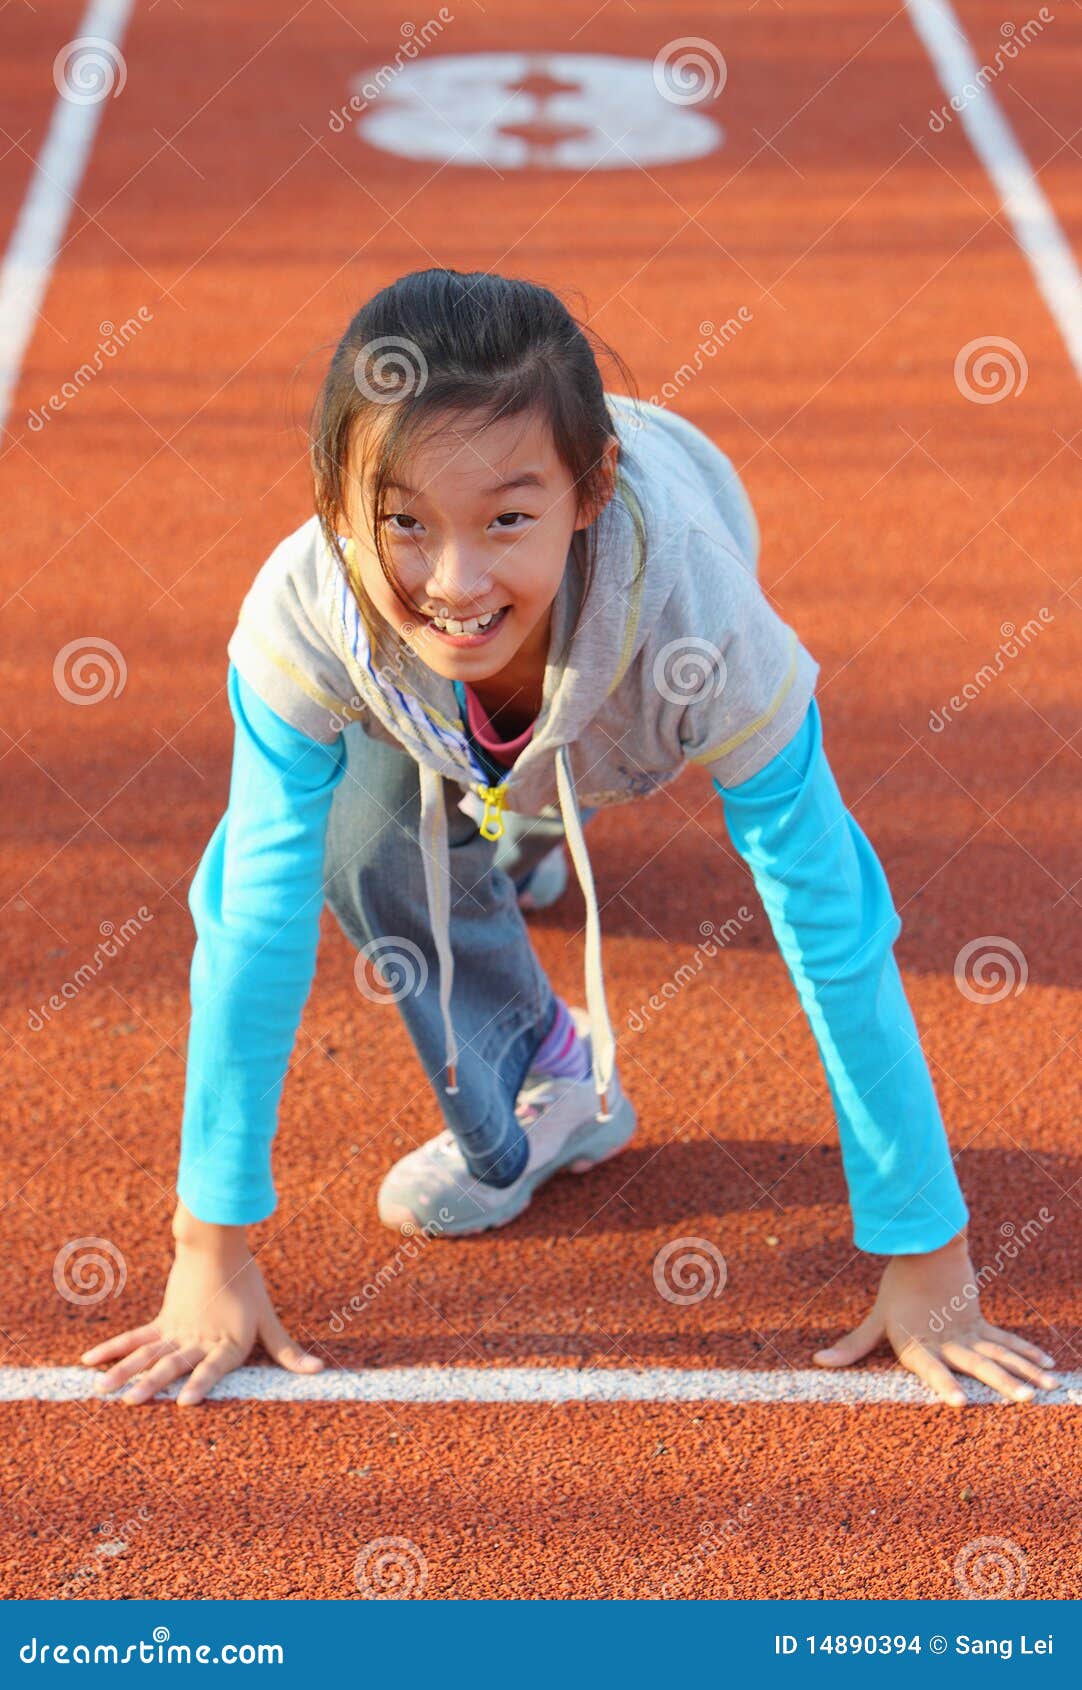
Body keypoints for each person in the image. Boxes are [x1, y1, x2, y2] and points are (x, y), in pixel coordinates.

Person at [80, 268, 1059, 1410]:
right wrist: (208, 1249)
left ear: (588, 489)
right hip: (427, 709)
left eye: (506, 517)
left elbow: (828, 914)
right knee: (365, 847)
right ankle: (547, 1064)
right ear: (335, 502)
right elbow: (251, 914)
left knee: (532, 767)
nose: (453, 578)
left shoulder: (701, 622)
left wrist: (929, 1251)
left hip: (622, 688)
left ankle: (529, 812)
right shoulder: (303, 613)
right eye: (402, 522)